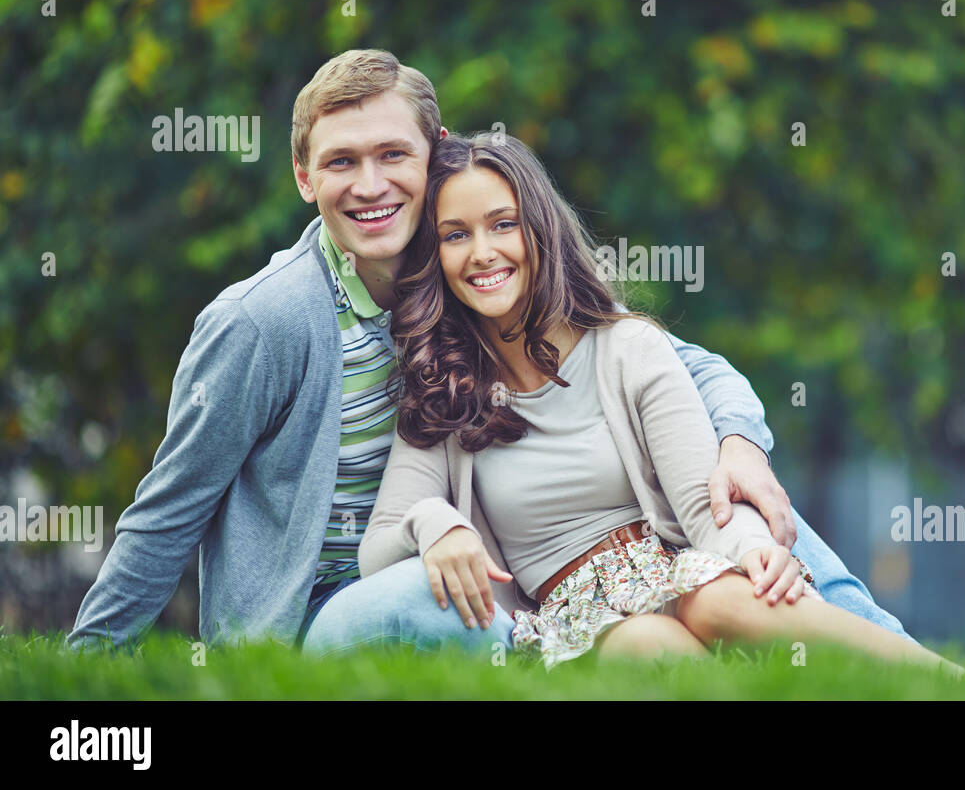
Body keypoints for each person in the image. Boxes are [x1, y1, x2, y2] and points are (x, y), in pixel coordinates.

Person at [66, 48, 910, 657]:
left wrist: (737, 439)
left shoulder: (473, 284)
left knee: (744, 507)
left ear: (433, 159)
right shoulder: (267, 321)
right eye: (341, 163)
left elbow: (669, 360)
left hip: (530, 581)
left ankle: (922, 669)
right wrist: (82, 684)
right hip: (328, 607)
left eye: (393, 155)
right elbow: (169, 507)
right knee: (439, 599)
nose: (369, 185)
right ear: (302, 177)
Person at [358, 131, 963, 675]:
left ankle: (943, 680)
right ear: (435, 256)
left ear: (540, 229)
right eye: (455, 235)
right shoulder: (444, 389)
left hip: (676, 572)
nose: (482, 252)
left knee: (720, 595)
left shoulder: (628, 348)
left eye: (503, 224)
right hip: (573, 619)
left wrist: (754, 551)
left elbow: (704, 504)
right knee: (645, 643)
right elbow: (378, 548)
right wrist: (435, 525)